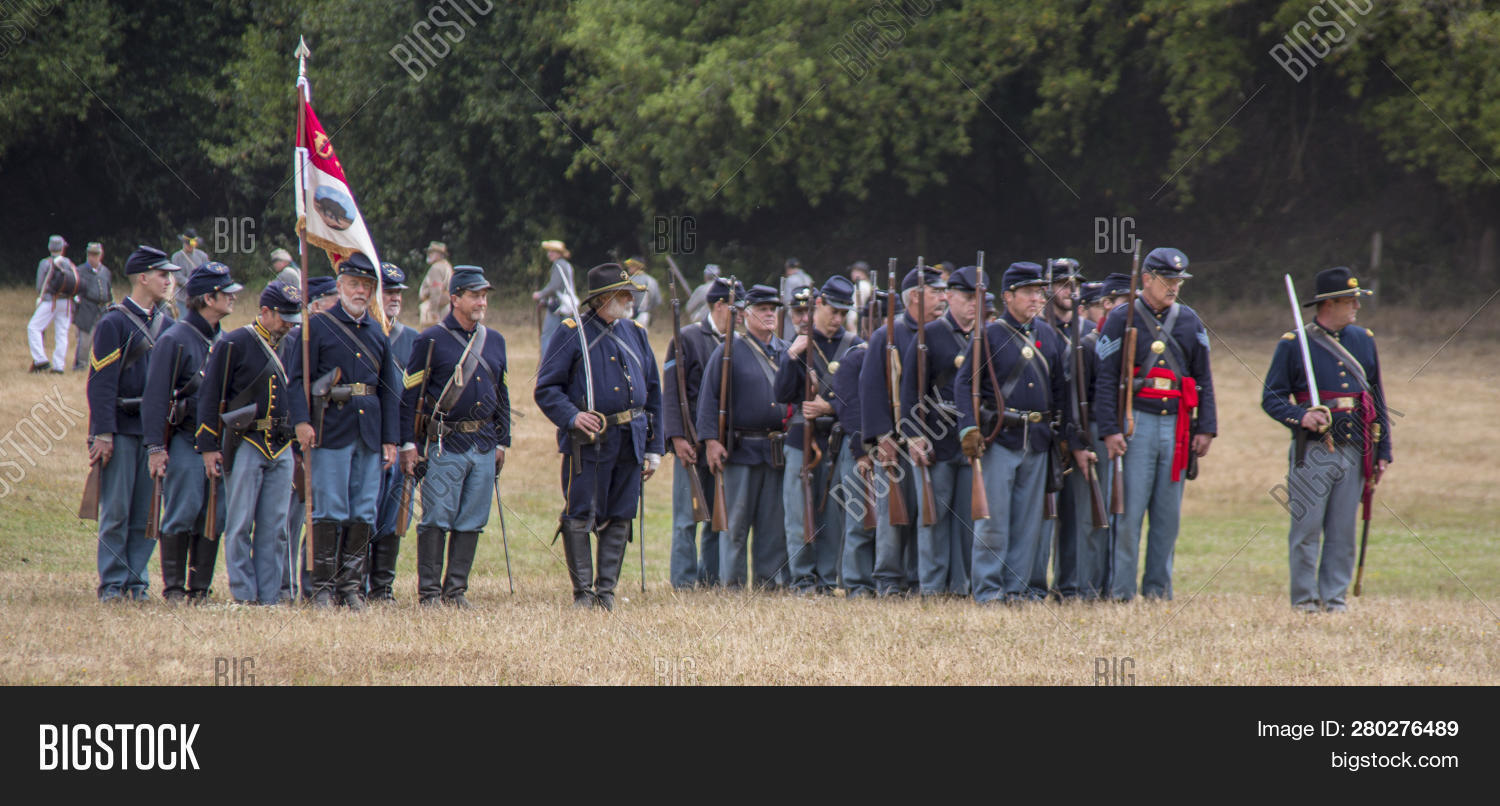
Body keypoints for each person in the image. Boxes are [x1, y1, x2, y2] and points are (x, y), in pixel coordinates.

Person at [1261, 266, 1391, 613]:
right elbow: (1272, 397)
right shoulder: (1294, 344)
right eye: (1350, 300)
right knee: (1306, 531)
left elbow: (1376, 398)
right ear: (1329, 304)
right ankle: (1305, 602)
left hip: (1355, 448)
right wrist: (1301, 415)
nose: (1356, 307)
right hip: (1314, 450)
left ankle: (1334, 600)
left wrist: (1383, 450)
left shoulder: (1363, 339)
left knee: (1342, 533)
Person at [535, 263, 663, 610]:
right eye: (624, 294)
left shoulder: (636, 333)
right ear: (604, 298)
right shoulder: (570, 332)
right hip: (590, 442)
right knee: (581, 512)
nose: (631, 300)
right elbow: (547, 389)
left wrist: (654, 448)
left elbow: (653, 393)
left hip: (631, 438)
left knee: (621, 513)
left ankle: (606, 592)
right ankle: (583, 594)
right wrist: (573, 417)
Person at [1093, 248, 1217, 601]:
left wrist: (1205, 427)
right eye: (1167, 280)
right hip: (1137, 424)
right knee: (1129, 515)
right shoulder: (1121, 318)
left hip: (1177, 426)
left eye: (1178, 280)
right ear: (1146, 279)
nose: (1174, 287)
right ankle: (1121, 591)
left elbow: (1202, 378)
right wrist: (1110, 430)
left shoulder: (1190, 320)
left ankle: (1159, 590)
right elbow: (1106, 379)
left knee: (1167, 518)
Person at [288, 253, 402, 609]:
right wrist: (302, 421)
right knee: (329, 509)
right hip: (330, 428)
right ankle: (321, 589)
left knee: (364, 510)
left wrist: (390, 439)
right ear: (339, 287)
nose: (360, 291)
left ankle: (350, 588)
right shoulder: (317, 327)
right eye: (353, 284)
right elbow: (297, 380)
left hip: (369, 432)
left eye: (366, 286)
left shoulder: (377, 332)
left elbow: (389, 389)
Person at [957, 262, 1068, 604]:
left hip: (1036, 439)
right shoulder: (988, 336)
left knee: (1026, 523)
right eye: (1029, 292)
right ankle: (989, 590)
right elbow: (964, 385)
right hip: (998, 440)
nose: (1037, 298)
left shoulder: (1049, 336)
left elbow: (1060, 389)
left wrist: (1063, 435)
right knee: (993, 521)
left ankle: (1016, 590)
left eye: (1040, 292)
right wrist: (969, 428)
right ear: (1008, 296)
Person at [401, 266, 511, 608]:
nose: (481, 302)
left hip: (483, 444)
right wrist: (410, 444)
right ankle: (430, 593)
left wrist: (503, 440)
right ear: (454, 299)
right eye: (475, 295)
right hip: (443, 444)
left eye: (484, 296)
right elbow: (410, 397)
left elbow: (502, 394)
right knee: (436, 518)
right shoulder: (429, 339)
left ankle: (455, 591)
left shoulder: (494, 341)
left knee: (472, 520)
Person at [87, 245, 181, 602]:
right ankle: (112, 584)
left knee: (146, 513)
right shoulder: (114, 322)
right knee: (116, 511)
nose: (169, 280)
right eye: (163, 274)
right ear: (143, 277)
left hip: (153, 433)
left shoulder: (167, 323)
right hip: (122, 429)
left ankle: (135, 582)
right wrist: (103, 433)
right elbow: (101, 383)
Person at [198, 281, 301, 605]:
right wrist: (209, 446)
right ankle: (244, 594)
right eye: (283, 316)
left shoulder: (295, 343)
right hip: (246, 441)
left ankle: (270, 596)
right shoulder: (235, 342)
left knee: (276, 528)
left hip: (282, 444)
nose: (289, 323)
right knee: (241, 524)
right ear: (265, 311)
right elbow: (211, 395)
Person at [143, 262, 240, 603]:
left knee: (215, 515)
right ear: (207, 298)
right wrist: (156, 447)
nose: (232, 299)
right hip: (185, 438)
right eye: (225, 293)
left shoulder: (225, 340)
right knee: (183, 510)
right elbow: (155, 398)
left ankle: (199, 589)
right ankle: (173, 589)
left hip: (218, 443)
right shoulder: (174, 340)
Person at [697, 284, 790, 590]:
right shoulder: (728, 350)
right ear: (746, 313)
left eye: (772, 309)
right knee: (735, 525)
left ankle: (770, 584)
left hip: (775, 449)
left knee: (773, 525)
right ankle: (732, 584)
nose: (769, 314)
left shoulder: (784, 350)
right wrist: (711, 441)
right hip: (740, 449)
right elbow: (708, 398)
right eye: (762, 308)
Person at [859, 264, 945, 596]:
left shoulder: (940, 333)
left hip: (932, 440)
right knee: (894, 518)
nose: (942, 297)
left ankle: (921, 580)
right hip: (895, 441)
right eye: (935, 292)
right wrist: (882, 438)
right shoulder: (887, 336)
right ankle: (889, 581)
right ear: (914, 298)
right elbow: (872, 390)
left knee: (927, 514)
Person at [777, 276, 862, 594]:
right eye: (833, 311)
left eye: (843, 313)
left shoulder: (854, 346)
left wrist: (829, 408)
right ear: (819, 305)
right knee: (799, 514)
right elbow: (782, 393)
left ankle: (827, 579)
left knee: (834, 513)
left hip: (837, 441)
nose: (838, 318)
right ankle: (802, 580)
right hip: (802, 439)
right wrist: (791, 356)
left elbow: (858, 399)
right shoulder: (799, 343)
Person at [902, 265, 981, 597]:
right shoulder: (929, 335)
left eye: (979, 297)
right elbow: (909, 391)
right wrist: (915, 436)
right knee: (933, 519)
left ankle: (963, 586)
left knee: (967, 519)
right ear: (949, 297)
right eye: (967, 297)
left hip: (970, 439)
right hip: (934, 435)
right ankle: (933, 587)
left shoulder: (986, 335)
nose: (974, 304)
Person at [662, 277, 742, 588]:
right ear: (720, 305)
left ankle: (711, 579)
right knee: (686, 518)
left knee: (717, 519)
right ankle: (683, 581)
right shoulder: (688, 338)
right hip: (691, 444)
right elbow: (672, 393)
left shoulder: (738, 342)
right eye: (737, 307)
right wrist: (678, 438)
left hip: (721, 444)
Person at [279, 275, 339, 601]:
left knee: (313, 518)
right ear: (316, 304)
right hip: (296, 442)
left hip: (321, 440)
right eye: (332, 298)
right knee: (291, 521)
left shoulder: (325, 337)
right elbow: (294, 392)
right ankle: (286, 586)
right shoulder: (297, 341)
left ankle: (308, 584)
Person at [1069, 273, 1129, 599]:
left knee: (1121, 515)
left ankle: (1116, 586)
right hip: (1097, 434)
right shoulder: (1088, 346)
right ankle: (1089, 589)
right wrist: (1082, 442)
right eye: (1122, 302)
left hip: (1126, 433)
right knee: (1095, 517)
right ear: (1107, 305)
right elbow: (1077, 402)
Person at [1038, 257, 1093, 600]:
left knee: (1074, 515)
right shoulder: (1038, 329)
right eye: (1062, 283)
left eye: (1074, 284)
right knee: (1041, 516)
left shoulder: (1088, 332)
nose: (1069, 290)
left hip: (1079, 434)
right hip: (1046, 433)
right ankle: (1032, 583)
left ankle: (1069, 585)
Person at [367, 262, 419, 603]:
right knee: (361, 512)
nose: (395, 298)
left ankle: (382, 587)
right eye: (388, 291)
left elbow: (415, 397)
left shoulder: (413, 339)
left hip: (400, 439)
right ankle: (353, 583)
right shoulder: (363, 331)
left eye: (398, 292)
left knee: (393, 514)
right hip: (367, 437)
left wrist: (412, 442)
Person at [831, 323, 875, 597]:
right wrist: (861, 451)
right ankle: (856, 584)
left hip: (890, 447)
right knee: (859, 521)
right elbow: (849, 408)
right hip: (861, 450)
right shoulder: (855, 359)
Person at [30, 234, 79, 373]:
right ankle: (58, 366)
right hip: (67, 303)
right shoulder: (69, 263)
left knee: (33, 328)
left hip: (50, 301)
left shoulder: (45, 263)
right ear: (62, 248)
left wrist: (42, 297)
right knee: (62, 334)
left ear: (49, 247)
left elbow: (40, 286)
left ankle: (40, 360)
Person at [72, 243, 114, 372]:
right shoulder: (79, 271)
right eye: (90, 254)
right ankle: (80, 366)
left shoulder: (105, 272)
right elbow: (74, 293)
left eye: (95, 255)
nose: (92, 257)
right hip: (86, 307)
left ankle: (99, 365)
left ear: (101, 255)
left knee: (102, 339)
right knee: (85, 341)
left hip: (102, 309)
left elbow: (109, 291)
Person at [533, 239, 576, 350]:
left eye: (553, 251)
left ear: (559, 253)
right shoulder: (566, 265)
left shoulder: (558, 265)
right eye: (549, 251)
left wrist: (540, 295)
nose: (549, 254)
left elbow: (554, 286)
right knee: (564, 336)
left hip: (558, 306)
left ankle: (546, 364)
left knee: (547, 336)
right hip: (567, 305)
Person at [170, 228, 211, 314]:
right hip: (183, 299)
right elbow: (178, 277)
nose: (190, 246)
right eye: (188, 244)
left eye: (192, 244)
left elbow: (207, 273)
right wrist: (193, 284)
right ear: (184, 243)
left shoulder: (202, 256)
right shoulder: (176, 257)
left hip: (199, 298)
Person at [418, 241, 453, 328]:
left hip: (436, 307)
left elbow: (436, 290)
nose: (429, 254)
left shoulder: (436, 268)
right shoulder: (447, 266)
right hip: (445, 306)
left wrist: (432, 311)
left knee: (428, 336)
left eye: (432, 252)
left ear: (440, 254)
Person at [626, 257, 663, 327]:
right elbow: (657, 301)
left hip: (627, 314)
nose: (629, 267)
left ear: (638, 267)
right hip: (644, 315)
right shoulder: (651, 280)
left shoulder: (627, 281)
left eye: (631, 265)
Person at [846, 260, 873, 333]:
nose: (852, 273)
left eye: (854, 271)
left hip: (860, 327)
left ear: (862, 273)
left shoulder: (860, 286)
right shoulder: (872, 286)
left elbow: (854, 311)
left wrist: (851, 325)